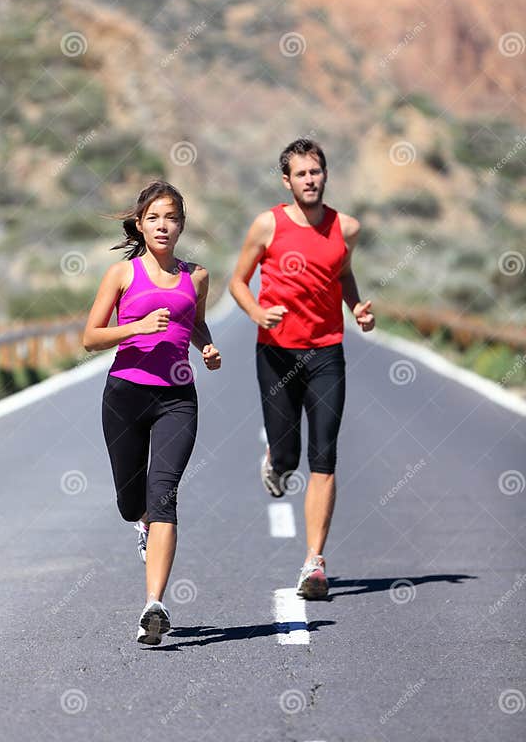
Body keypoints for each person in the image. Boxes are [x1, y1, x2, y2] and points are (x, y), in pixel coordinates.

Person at [229, 139, 374, 599]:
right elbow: (237, 281)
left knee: (324, 457)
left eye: (316, 172)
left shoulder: (346, 228)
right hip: (276, 354)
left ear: (325, 175)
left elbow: (342, 273)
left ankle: (314, 562)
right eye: (301, 174)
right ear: (286, 181)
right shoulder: (267, 225)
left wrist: (356, 307)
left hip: (326, 353)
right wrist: (257, 312)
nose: (310, 180)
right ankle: (276, 461)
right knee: (289, 456)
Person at [83, 181, 221, 644]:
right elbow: (90, 337)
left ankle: (153, 605)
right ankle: (141, 522)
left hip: (177, 399)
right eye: (154, 218)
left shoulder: (196, 277)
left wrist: (206, 346)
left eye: (172, 218)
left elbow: (195, 323)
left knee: (164, 494)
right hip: (125, 395)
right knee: (130, 502)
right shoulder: (121, 275)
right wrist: (137, 327)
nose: (163, 226)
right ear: (140, 225)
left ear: (182, 225)